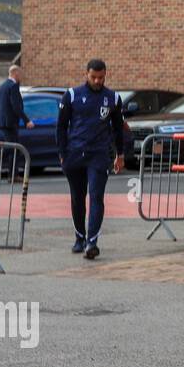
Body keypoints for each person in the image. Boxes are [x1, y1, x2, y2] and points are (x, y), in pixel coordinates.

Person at [57, 58, 126, 259]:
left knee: (96, 196)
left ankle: (91, 243)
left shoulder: (113, 98)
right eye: (94, 77)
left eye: (101, 77)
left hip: (99, 155)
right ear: (86, 74)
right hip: (74, 154)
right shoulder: (71, 95)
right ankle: (79, 237)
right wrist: (62, 153)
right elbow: (61, 127)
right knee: (78, 198)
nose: (97, 81)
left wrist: (119, 154)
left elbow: (117, 130)